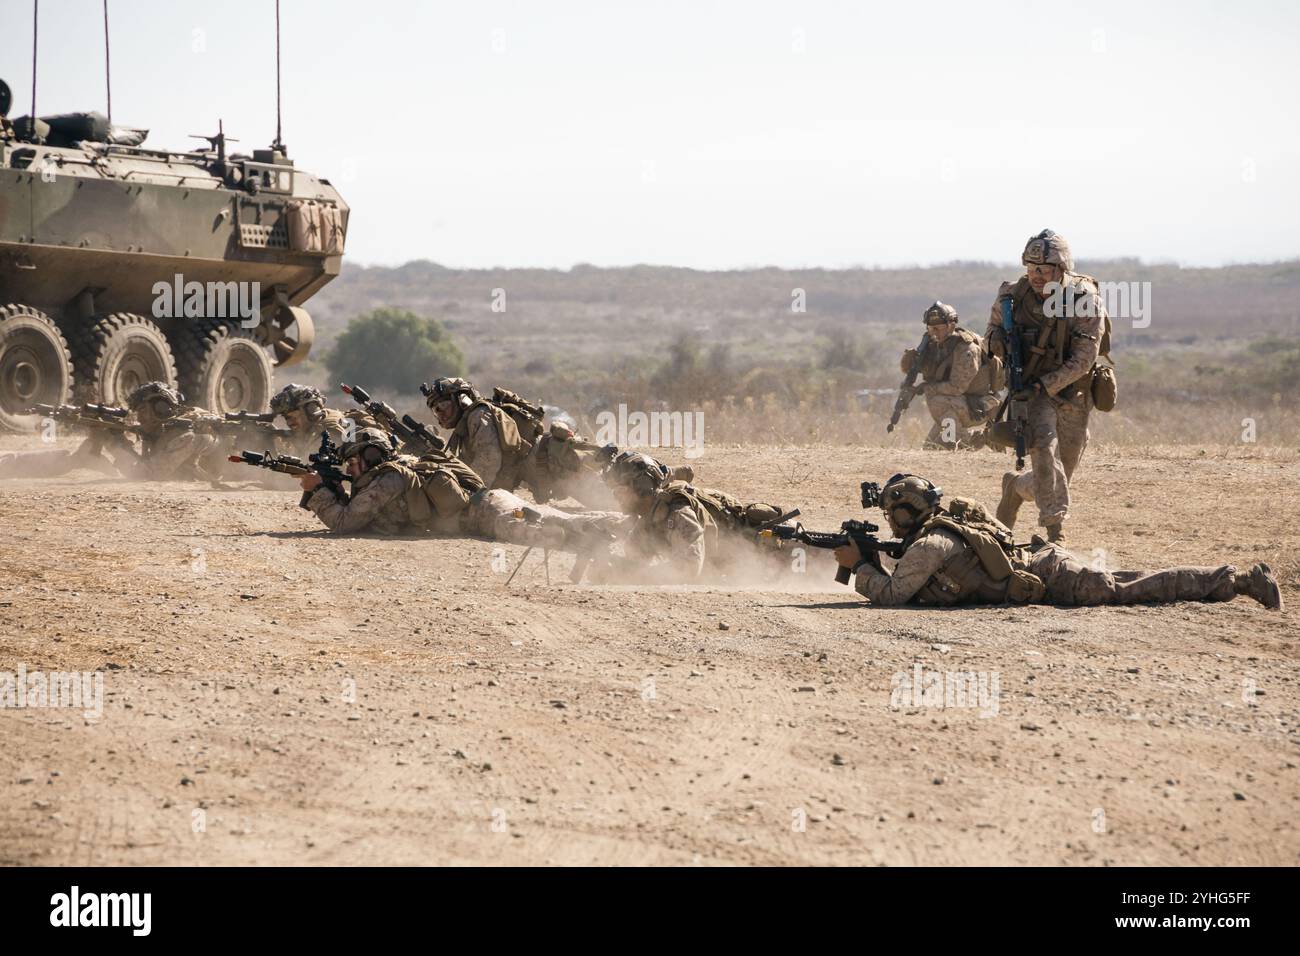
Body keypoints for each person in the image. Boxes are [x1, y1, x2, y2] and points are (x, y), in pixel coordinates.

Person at [832, 473, 1283, 611]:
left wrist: (858, 568)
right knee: (1130, 583)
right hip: (1042, 565)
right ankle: (1236, 580)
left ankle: (1238, 581)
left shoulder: (932, 544)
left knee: (1127, 589)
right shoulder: (942, 529)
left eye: (893, 514)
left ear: (907, 511)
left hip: (1051, 573)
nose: (890, 522)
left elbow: (893, 597)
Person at [300, 428, 627, 554]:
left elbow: (345, 523)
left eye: (354, 461)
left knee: (537, 529)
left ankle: (611, 538)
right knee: (547, 519)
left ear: (370, 455)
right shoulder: (395, 471)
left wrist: (319, 492)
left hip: (488, 511)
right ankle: (626, 526)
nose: (350, 470)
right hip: (493, 501)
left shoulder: (389, 478)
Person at [985, 229, 1104, 543]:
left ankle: (1014, 487)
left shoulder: (1083, 298)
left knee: (1056, 471)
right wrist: (1002, 344)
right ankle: (1055, 533)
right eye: (1031, 268)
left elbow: (1085, 357)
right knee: (1044, 454)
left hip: (1072, 390)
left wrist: (1046, 384)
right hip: (1031, 393)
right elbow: (990, 336)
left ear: (1061, 270)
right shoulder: (1010, 296)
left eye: (1044, 269)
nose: (1036, 275)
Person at [603, 450, 794, 581]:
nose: (616, 498)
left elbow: (689, 567)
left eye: (619, 491)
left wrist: (642, 576)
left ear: (642, 487)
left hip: (769, 557)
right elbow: (634, 560)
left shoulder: (678, 512)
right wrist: (611, 571)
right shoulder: (649, 518)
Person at [902, 300, 999, 450]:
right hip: (956, 404)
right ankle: (978, 438)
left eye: (938, 328)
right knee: (931, 449)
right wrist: (912, 361)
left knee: (937, 401)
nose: (934, 333)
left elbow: (957, 387)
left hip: (979, 405)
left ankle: (968, 442)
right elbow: (920, 371)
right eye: (930, 328)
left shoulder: (966, 349)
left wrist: (926, 388)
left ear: (951, 326)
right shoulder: (935, 346)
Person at [423, 377, 536, 491]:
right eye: (436, 410)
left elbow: (488, 460)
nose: (441, 414)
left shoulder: (478, 416)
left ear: (461, 399)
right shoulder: (465, 425)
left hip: (542, 471)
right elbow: (465, 464)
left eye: (444, 406)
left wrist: (469, 493)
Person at [269, 383, 378, 458]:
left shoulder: (329, 430)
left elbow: (313, 469)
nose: (289, 423)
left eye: (293, 417)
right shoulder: (317, 423)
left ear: (311, 410)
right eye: (286, 418)